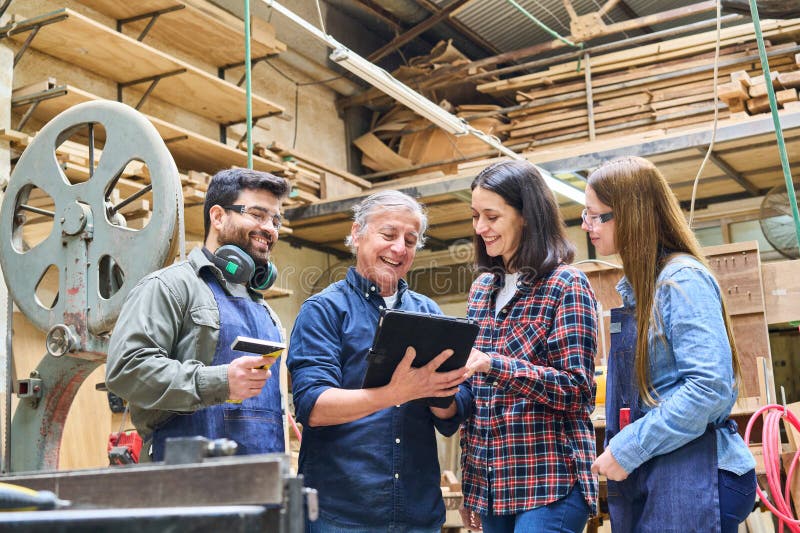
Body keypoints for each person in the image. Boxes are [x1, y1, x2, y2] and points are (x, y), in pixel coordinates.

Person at [583, 156, 757, 532]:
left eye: (597, 216)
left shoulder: (681, 281)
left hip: (697, 474)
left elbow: (708, 388)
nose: (587, 226)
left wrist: (629, 448)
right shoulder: (642, 289)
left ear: (631, 215)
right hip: (664, 472)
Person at [287, 190, 471, 532]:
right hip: (341, 515)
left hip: (418, 514)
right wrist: (397, 392)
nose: (399, 248)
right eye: (388, 235)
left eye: (410, 240)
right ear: (357, 234)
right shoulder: (324, 311)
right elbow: (314, 406)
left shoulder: (428, 312)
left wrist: (441, 390)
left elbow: (451, 417)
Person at [107, 168, 290, 461]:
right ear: (217, 217)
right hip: (185, 480)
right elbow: (126, 369)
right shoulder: (170, 287)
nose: (270, 228)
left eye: (275, 219)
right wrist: (220, 382)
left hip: (261, 481)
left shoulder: (266, 311)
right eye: (257, 214)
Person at [460, 160, 598, 533]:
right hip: (493, 487)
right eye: (476, 216)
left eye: (492, 216)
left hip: (550, 481)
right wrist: (470, 488)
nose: (480, 228)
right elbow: (477, 401)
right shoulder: (481, 291)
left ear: (526, 216)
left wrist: (494, 364)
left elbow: (577, 389)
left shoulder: (566, 285)